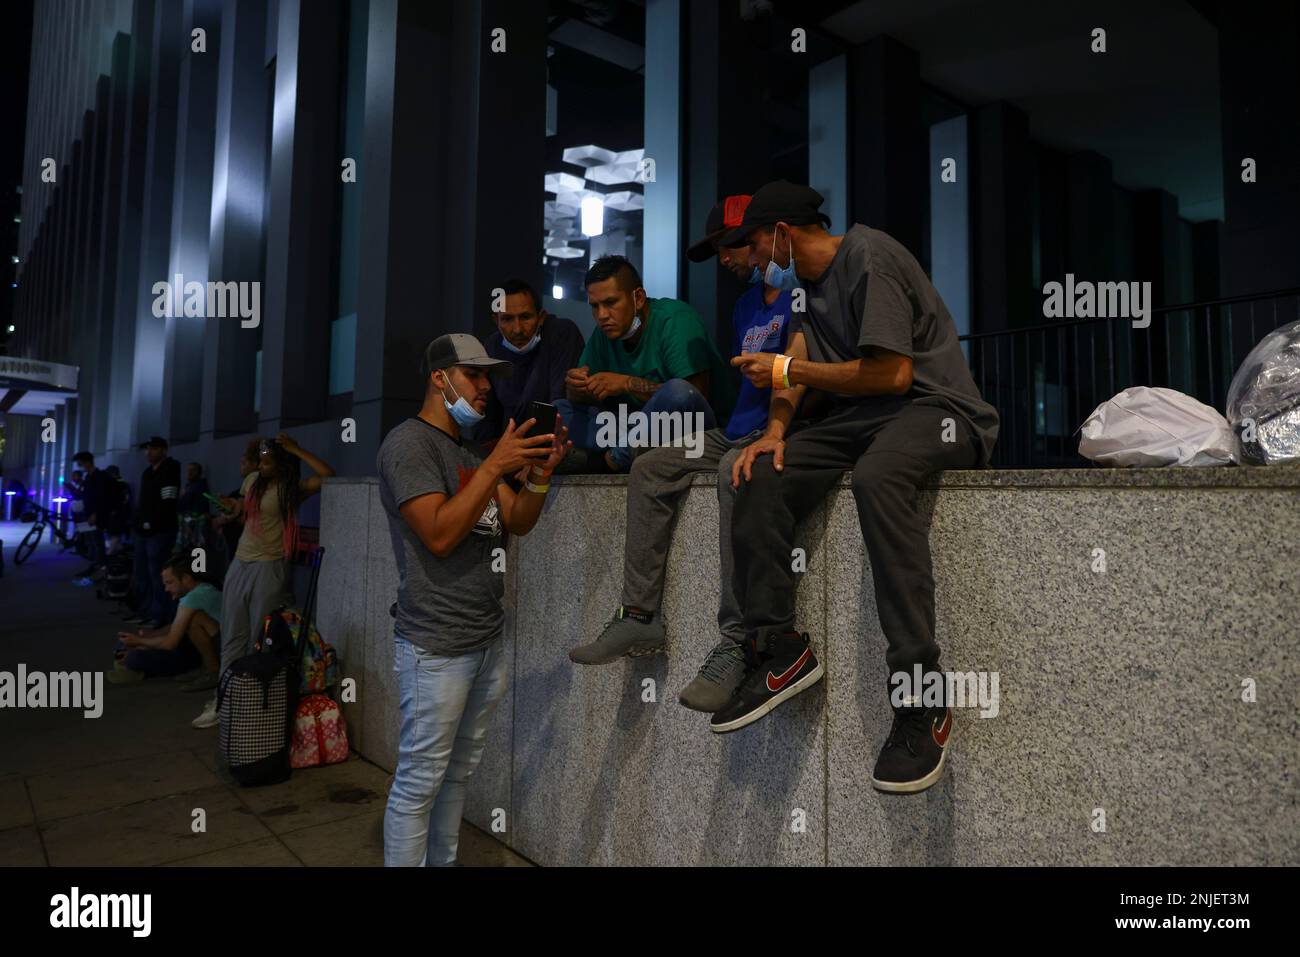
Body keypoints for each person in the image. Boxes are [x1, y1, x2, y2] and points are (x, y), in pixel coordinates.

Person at [705, 181, 999, 795]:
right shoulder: (805, 287)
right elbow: (798, 354)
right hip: (864, 418)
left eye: (757, 243)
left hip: (939, 410)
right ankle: (780, 647)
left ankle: (921, 696)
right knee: (756, 471)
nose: (754, 257)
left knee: (876, 476)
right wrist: (776, 429)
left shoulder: (870, 257)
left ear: (783, 232)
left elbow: (892, 374)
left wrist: (789, 370)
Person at [568, 195, 799, 715]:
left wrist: (778, 428)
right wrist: (582, 389)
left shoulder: (802, 294)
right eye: (720, 248)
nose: (726, 258)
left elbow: (693, 391)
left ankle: (738, 640)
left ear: (770, 237)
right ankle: (641, 614)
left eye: (733, 245)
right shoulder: (745, 306)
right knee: (652, 467)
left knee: (728, 469)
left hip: (753, 429)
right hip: (735, 429)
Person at [378, 333, 570, 867]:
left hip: (485, 640)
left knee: (456, 775)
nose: (487, 388)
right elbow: (438, 535)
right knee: (419, 783)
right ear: (440, 379)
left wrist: (540, 474)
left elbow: (518, 522)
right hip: (435, 647)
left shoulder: (465, 451)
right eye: (475, 376)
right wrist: (493, 465)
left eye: (489, 378)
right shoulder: (408, 445)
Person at [192, 433, 335, 731]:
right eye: (261, 460)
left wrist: (297, 448)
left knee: (260, 636)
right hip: (241, 561)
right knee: (232, 634)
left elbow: (327, 475)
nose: (263, 466)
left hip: (270, 566)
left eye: (269, 462)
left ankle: (253, 700)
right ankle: (223, 699)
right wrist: (231, 507)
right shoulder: (252, 480)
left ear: (282, 462)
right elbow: (245, 512)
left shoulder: (292, 488)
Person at [557, 255, 734, 472]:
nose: (602, 315)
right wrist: (576, 388)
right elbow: (578, 400)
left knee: (677, 391)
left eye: (611, 303)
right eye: (595, 306)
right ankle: (624, 450)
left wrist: (627, 384)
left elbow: (692, 396)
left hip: (695, 431)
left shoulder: (675, 320)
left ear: (638, 298)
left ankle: (610, 461)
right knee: (560, 410)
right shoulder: (605, 332)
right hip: (637, 429)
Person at [479, 278, 585, 446]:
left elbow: (559, 404)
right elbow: (489, 414)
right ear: (496, 320)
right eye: (507, 319)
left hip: (556, 443)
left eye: (525, 317)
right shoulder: (492, 346)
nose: (518, 329)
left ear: (541, 317)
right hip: (509, 446)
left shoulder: (561, 333)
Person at [110, 555, 223, 698]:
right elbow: (175, 625)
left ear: (186, 579)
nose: (166, 588)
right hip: (219, 645)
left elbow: (170, 643)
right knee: (125, 647)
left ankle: (213, 671)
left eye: (170, 583)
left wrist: (139, 642)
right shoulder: (203, 588)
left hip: (225, 649)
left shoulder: (192, 598)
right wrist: (149, 636)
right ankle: (206, 666)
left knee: (132, 656)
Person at [126, 437, 182, 629]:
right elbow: (144, 502)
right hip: (144, 531)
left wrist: (151, 523)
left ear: (164, 450)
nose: (148, 452)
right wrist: (138, 522)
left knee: (158, 575)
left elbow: (169, 502)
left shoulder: (170, 469)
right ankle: (146, 612)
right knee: (142, 573)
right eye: (147, 449)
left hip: (160, 532)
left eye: (153, 449)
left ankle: (161, 615)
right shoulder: (148, 473)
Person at [72, 451, 114, 574]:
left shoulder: (98, 477)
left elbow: (100, 497)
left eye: (81, 464)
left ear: (88, 462)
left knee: (97, 541)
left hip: (96, 516)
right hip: (90, 514)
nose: (80, 466)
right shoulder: (89, 477)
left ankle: (101, 566)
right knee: (93, 540)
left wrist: (95, 514)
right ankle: (97, 565)